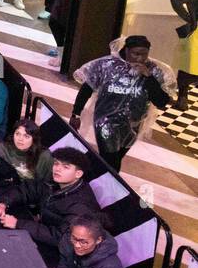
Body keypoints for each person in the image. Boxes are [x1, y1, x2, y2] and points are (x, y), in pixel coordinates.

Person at [71, 35, 176, 172]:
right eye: (136, 54)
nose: (140, 58)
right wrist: (76, 113)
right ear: (126, 50)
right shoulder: (106, 65)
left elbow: (161, 101)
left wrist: (148, 77)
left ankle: (94, 179)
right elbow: (86, 89)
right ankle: (108, 188)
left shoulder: (153, 70)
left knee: (115, 159)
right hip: (105, 121)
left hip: (133, 124)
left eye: (144, 54)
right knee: (111, 162)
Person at [0, 147, 101, 265]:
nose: (58, 169)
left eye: (65, 167)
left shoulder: (80, 205)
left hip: (59, 254)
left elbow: (60, 237)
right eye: (56, 164)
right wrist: (4, 203)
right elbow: (28, 189)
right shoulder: (55, 181)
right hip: (41, 229)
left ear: (78, 174)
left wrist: (18, 223)